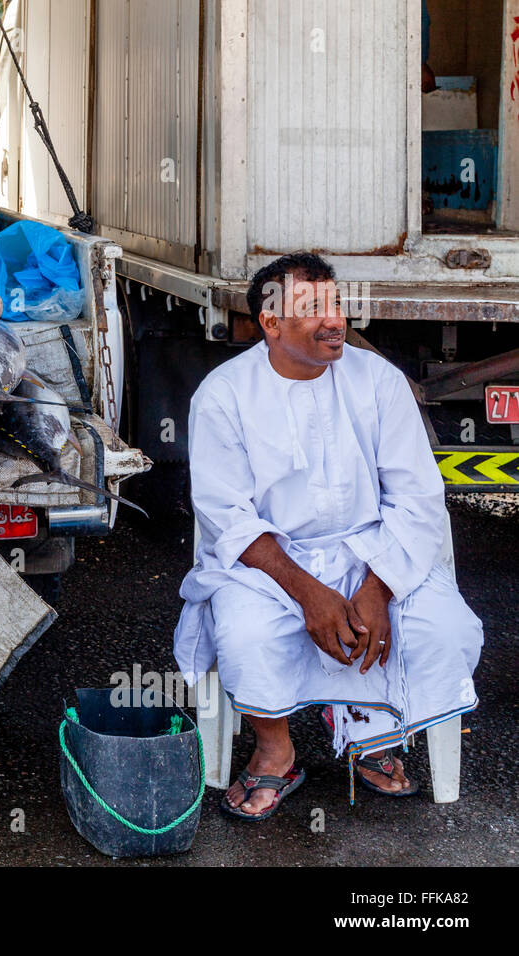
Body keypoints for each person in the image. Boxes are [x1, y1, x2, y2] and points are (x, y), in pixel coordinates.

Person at [174, 252, 483, 819]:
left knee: (443, 628)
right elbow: (229, 516)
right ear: (271, 324)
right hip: (269, 564)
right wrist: (308, 593)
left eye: (336, 304)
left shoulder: (379, 381)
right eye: (312, 309)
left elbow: (416, 497)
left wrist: (377, 587)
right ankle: (275, 751)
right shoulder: (224, 395)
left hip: (374, 550)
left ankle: (376, 736)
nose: (335, 320)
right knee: (246, 634)